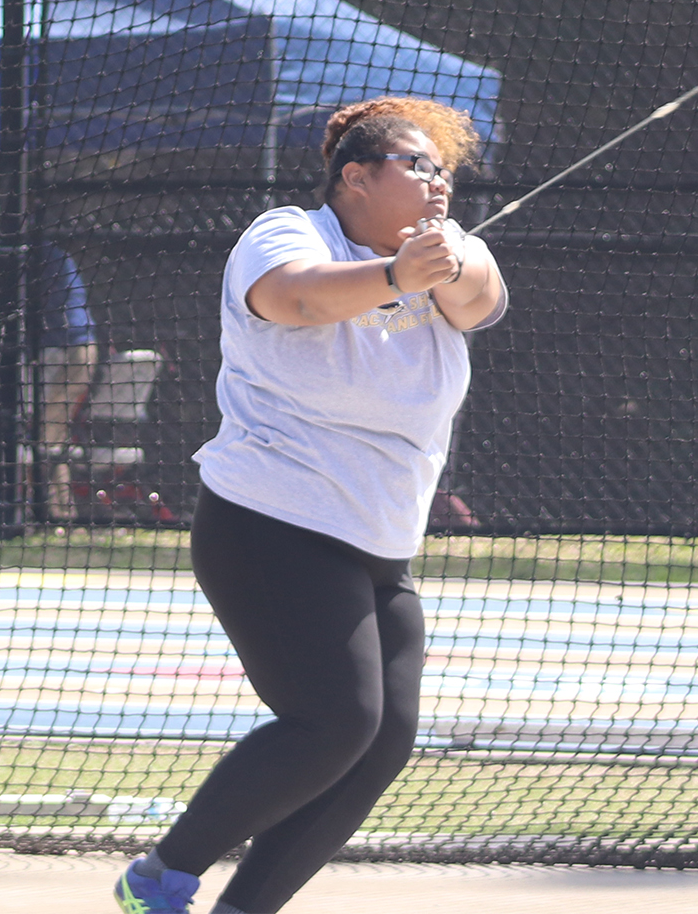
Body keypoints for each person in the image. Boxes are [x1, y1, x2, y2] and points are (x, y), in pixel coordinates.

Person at [113, 97, 507, 914]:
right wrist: (398, 276)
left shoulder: (443, 250)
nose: (439, 183)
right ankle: (159, 879)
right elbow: (294, 300)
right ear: (356, 178)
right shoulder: (287, 233)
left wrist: (443, 265)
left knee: (382, 738)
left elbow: (480, 300)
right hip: (272, 523)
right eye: (418, 165)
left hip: (378, 542)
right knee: (335, 718)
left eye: (445, 171)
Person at [0, 237, 98, 521]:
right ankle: (48, 513)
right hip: (62, 350)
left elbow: (0, 297)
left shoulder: (33, 258)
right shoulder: (39, 256)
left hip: (66, 352)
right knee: (46, 433)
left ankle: (46, 514)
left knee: (44, 435)